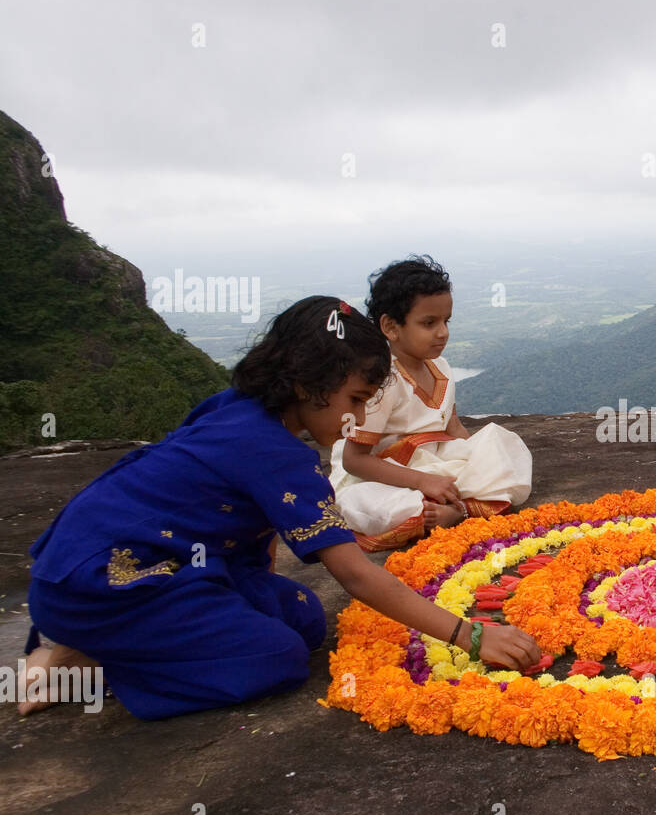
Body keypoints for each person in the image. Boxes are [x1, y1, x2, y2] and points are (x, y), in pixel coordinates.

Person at [18, 296, 540, 718]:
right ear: (306, 385)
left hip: (169, 564)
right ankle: (86, 660)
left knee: (305, 619)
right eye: (355, 400)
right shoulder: (279, 457)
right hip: (99, 585)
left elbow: (246, 516)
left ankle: (106, 642)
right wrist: (470, 635)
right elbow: (357, 576)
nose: (357, 419)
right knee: (277, 658)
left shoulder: (239, 408)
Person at [329, 256, 532, 551]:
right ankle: (451, 508)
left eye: (445, 321)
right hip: (386, 476)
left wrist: (476, 462)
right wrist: (423, 482)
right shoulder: (382, 381)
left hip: (437, 466)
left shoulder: (442, 369)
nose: (443, 332)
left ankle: (454, 507)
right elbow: (355, 460)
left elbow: (454, 427)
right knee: (393, 507)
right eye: (429, 323)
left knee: (504, 453)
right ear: (390, 326)